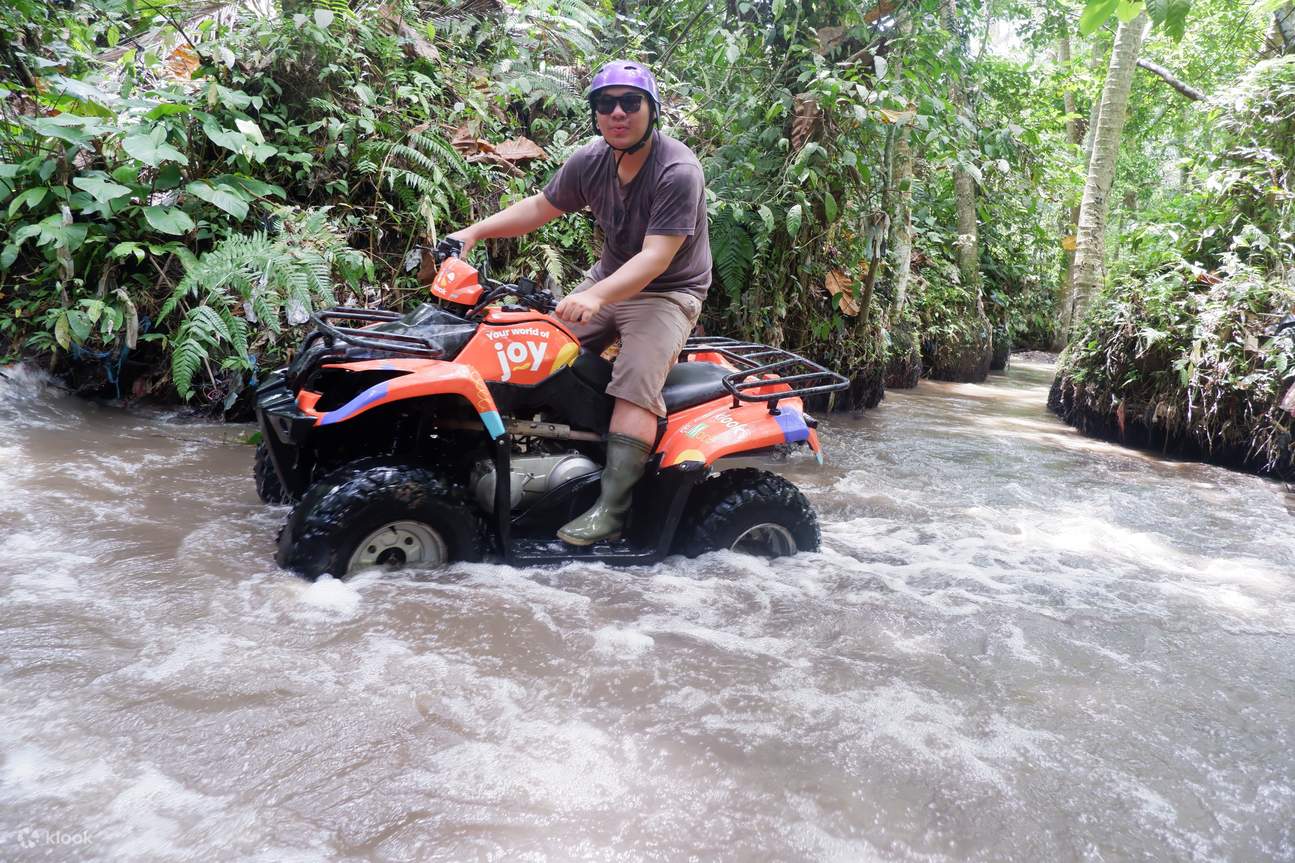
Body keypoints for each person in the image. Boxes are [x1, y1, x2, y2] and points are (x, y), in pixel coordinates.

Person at [448, 60, 712, 546]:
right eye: (605, 104)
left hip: (667, 292)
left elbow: (656, 258)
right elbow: (539, 208)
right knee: (534, 350)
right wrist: (476, 231)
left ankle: (612, 509)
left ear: (652, 111)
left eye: (630, 103)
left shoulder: (678, 170)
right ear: (594, 114)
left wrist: (593, 294)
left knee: (633, 382)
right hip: (609, 279)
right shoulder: (591, 160)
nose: (617, 113)